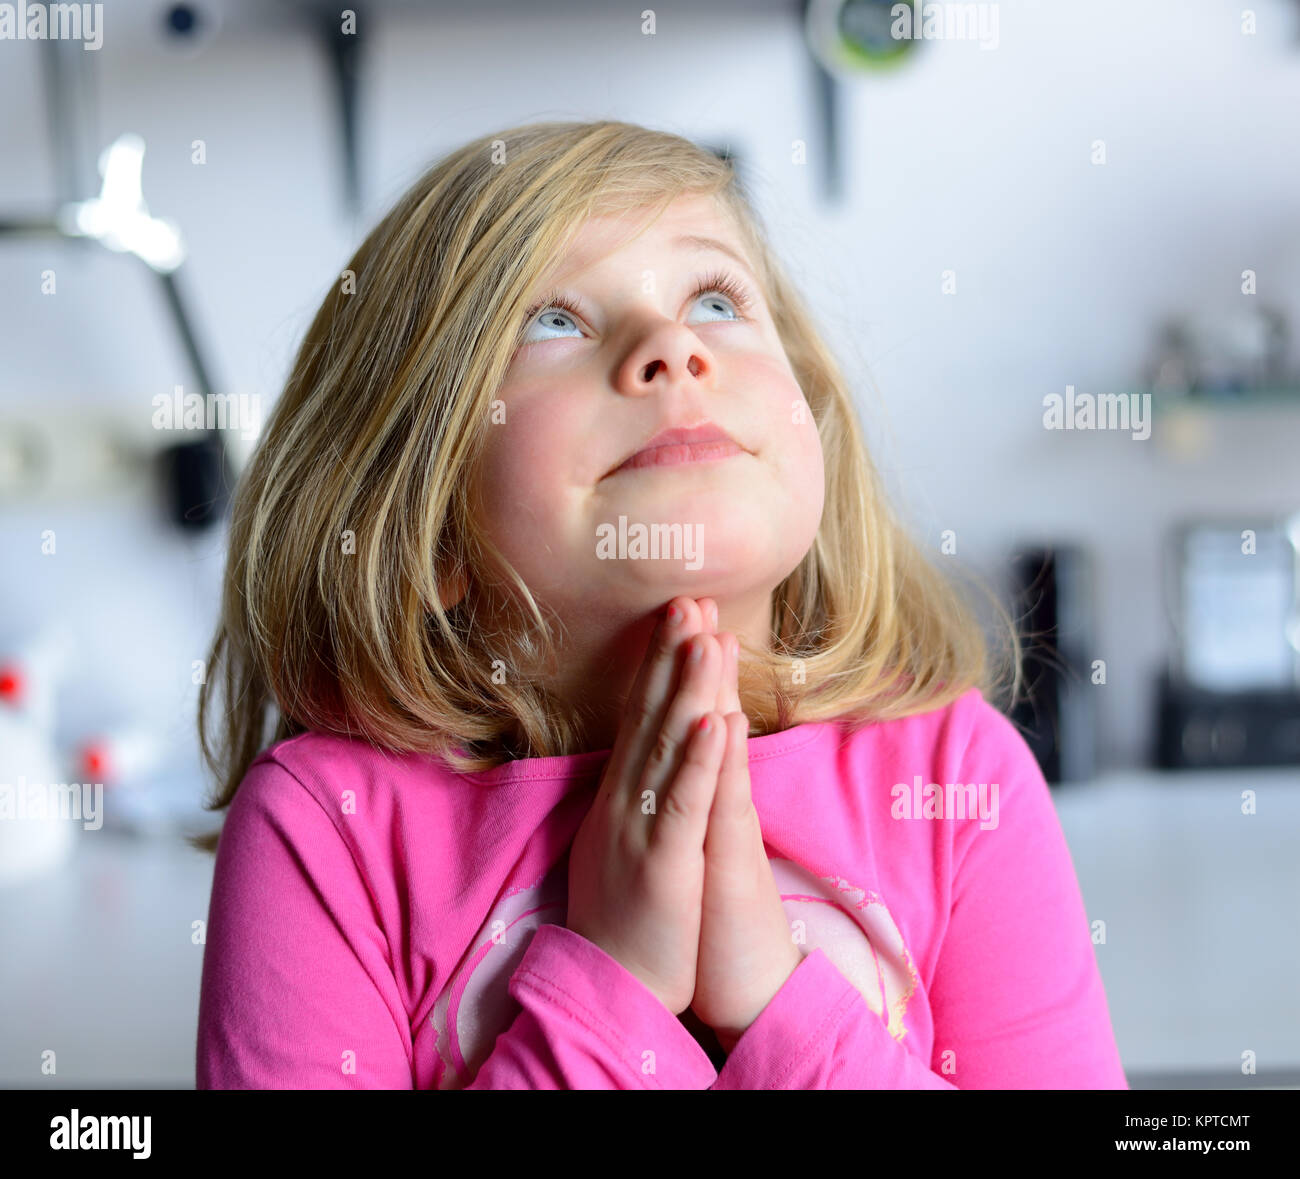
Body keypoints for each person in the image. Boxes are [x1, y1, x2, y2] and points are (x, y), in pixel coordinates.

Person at [193, 118, 1127, 1089]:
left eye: (716, 298)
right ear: (424, 531)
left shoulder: (956, 778)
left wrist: (772, 997)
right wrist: (614, 987)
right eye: (552, 321)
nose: (671, 346)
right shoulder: (326, 831)